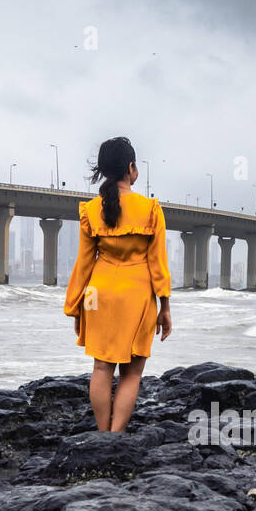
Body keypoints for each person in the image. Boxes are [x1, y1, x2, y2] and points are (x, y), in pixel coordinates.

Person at [64, 136, 172, 432]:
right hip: (136, 294)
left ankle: (101, 433)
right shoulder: (150, 209)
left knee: (101, 367)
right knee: (131, 374)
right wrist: (165, 308)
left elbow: (84, 263)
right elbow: (158, 264)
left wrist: (75, 306)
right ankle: (116, 434)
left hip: (97, 293)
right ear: (131, 168)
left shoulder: (90, 211)